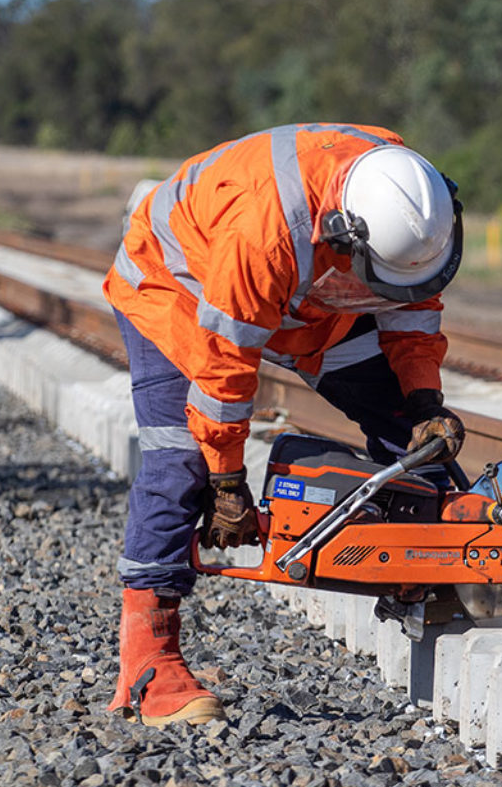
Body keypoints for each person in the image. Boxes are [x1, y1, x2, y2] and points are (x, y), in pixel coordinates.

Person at [102, 123, 467, 727]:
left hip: (307, 297)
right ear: (345, 236)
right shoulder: (263, 234)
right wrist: (226, 486)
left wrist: (425, 400)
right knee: (182, 459)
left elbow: (413, 309)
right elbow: (224, 371)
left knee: (408, 429)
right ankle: (149, 663)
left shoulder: (407, 202)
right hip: (180, 286)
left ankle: (429, 564)